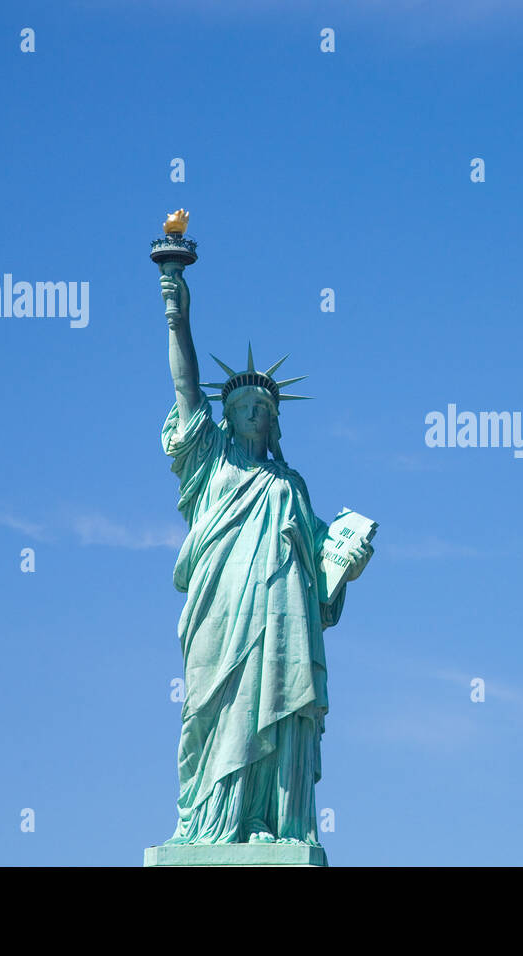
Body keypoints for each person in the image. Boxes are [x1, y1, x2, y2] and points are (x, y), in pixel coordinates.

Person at [157, 267, 371, 846]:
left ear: (275, 422)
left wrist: (347, 559)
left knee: (272, 706)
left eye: (264, 405)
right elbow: (186, 390)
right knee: (218, 711)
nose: (255, 410)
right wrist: (179, 316)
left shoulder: (291, 485)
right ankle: (211, 823)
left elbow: (323, 560)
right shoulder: (210, 468)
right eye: (245, 402)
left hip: (281, 619)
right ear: (224, 416)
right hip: (220, 613)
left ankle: (268, 822)